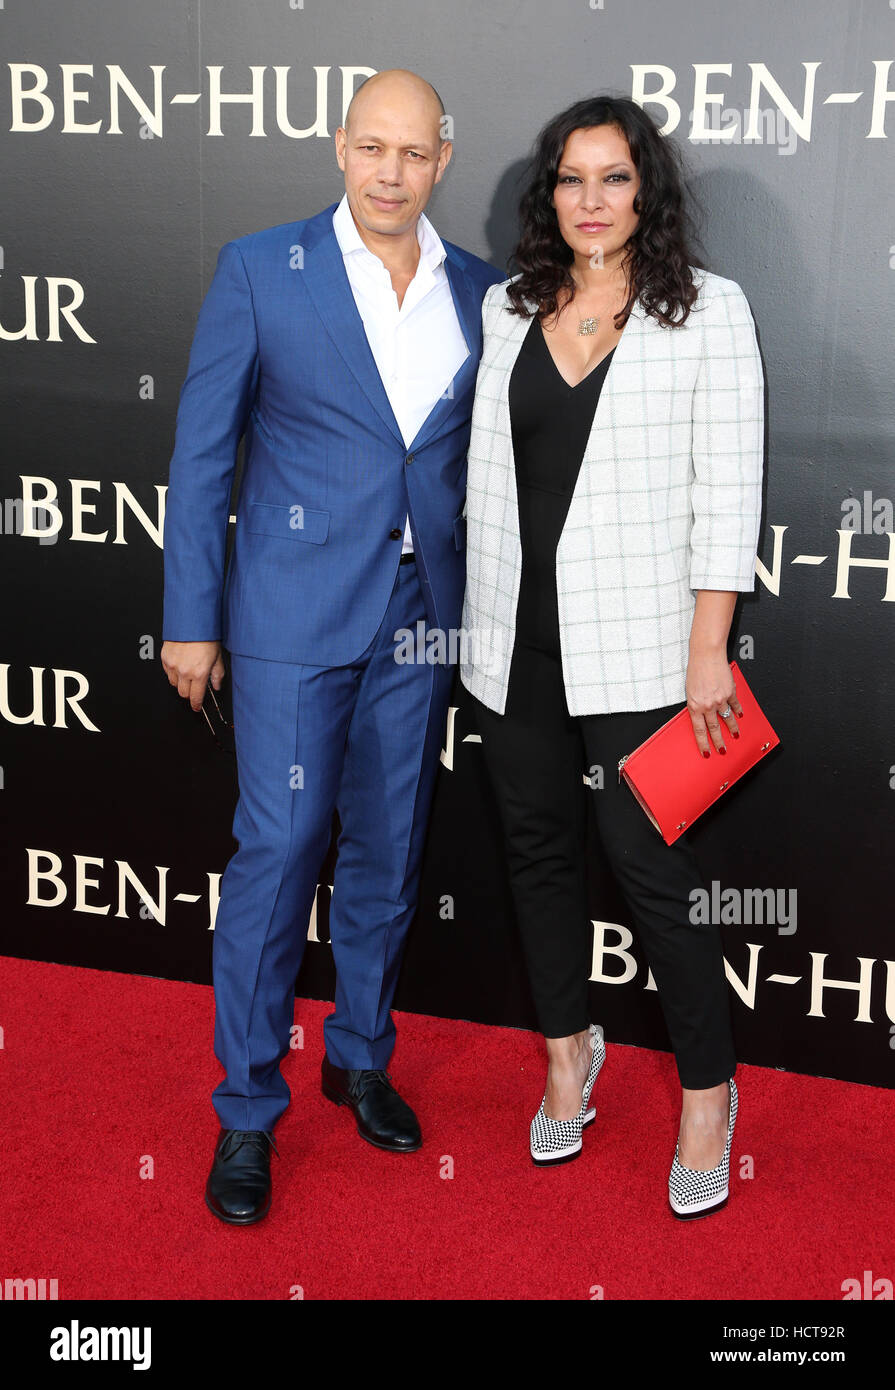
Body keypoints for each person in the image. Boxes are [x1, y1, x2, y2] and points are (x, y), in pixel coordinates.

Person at [161, 69, 504, 1224]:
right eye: (371, 148)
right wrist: (190, 616)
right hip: (290, 622)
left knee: (387, 854)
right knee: (279, 850)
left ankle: (360, 1055)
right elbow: (204, 453)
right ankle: (247, 1110)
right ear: (338, 147)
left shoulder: (482, 293)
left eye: (413, 153)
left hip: (418, 619)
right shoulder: (265, 269)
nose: (389, 173)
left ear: (443, 160)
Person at [460, 95, 764, 1218]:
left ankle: (706, 1093)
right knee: (537, 853)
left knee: (647, 871)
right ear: (550, 196)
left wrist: (708, 651)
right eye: (571, 180)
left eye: (615, 178)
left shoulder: (707, 311)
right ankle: (565, 1053)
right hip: (512, 640)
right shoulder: (508, 305)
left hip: (643, 650)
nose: (591, 201)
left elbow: (727, 497)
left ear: (648, 191)